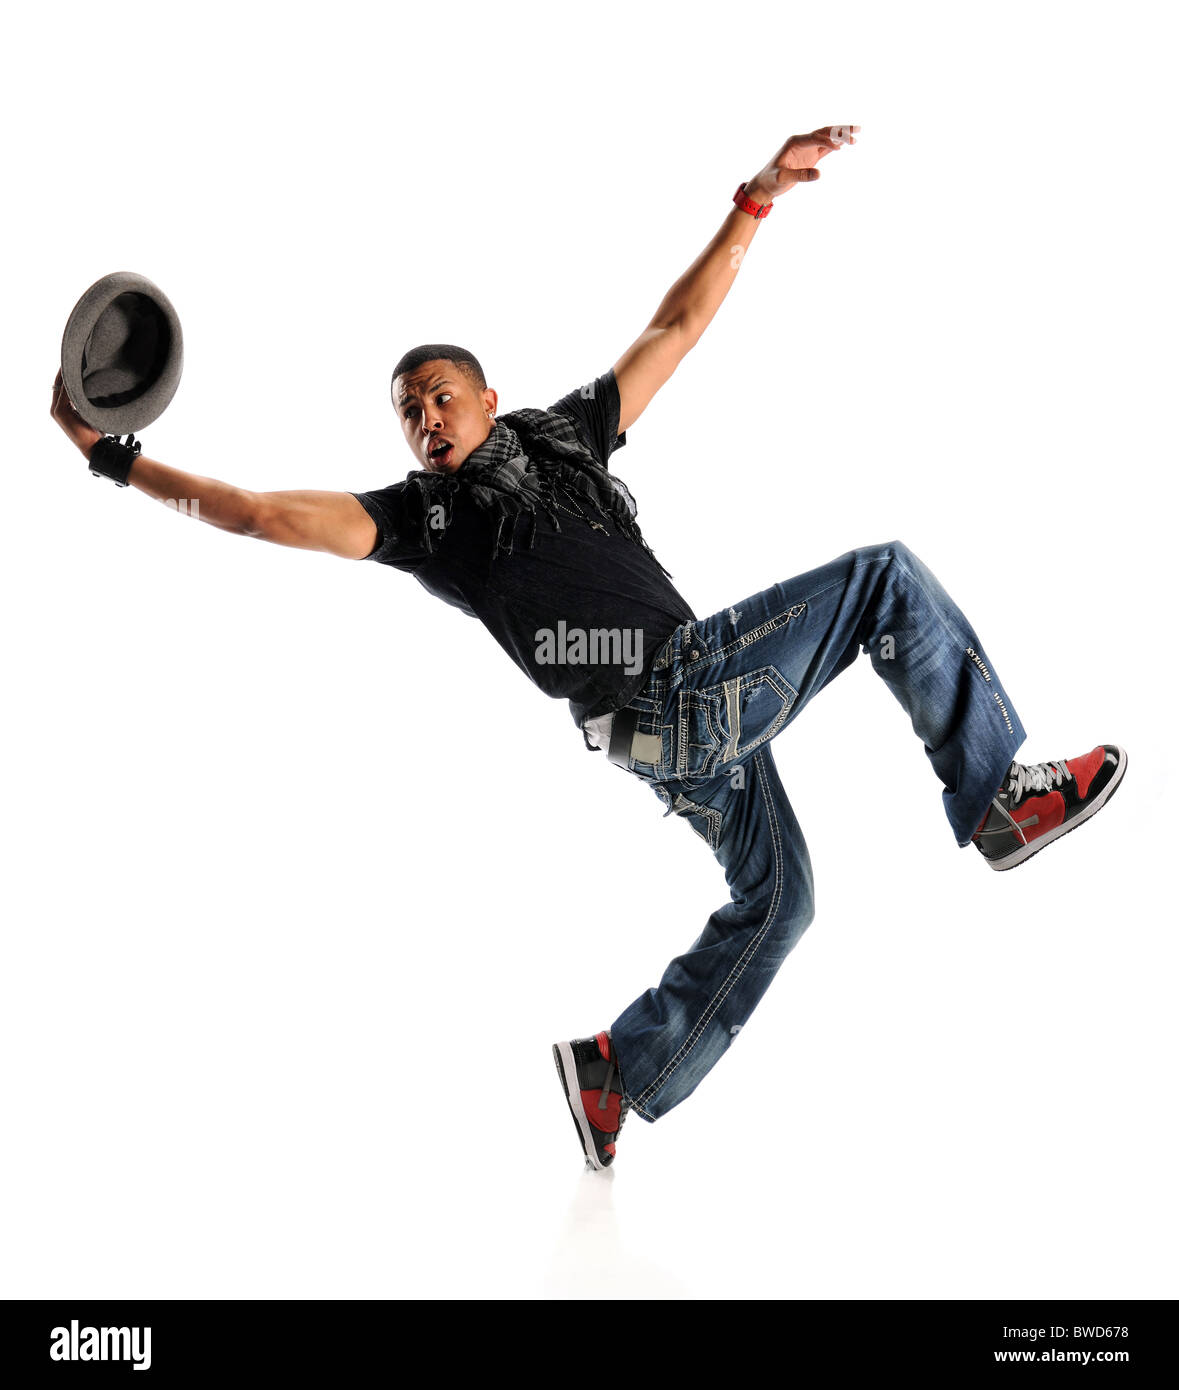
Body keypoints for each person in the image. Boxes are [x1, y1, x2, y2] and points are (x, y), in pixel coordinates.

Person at [51, 124, 1127, 1172]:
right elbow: (254, 512)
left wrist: (754, 201)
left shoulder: (567, 432)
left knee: (781, 898)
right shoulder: (423, 523)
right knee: (885, 578)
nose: (426, 420)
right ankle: (997, 796)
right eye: (408, 413)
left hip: (675, 723)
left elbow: (676, 326)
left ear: (489, 400)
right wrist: (116, 461)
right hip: (669, 695)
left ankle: (617, 1071)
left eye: (441, 398)